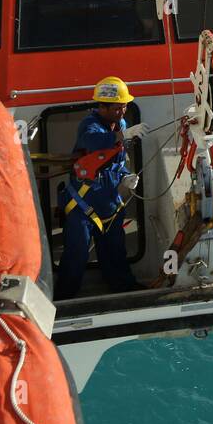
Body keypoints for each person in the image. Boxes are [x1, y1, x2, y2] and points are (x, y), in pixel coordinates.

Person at [54, 76, 147, 299]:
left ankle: (123, 289)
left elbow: (118, 160)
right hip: (83, 204)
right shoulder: (90, 125)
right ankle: (65, 297)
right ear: (102, 106)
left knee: (115, 249)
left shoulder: (120, 124)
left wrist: (126, 176)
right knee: (76, 252)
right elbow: (95, 142)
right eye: (118, 107)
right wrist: (123, 135)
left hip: (110, 202)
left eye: (125, 106)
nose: (123, 111)